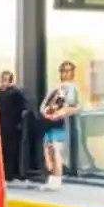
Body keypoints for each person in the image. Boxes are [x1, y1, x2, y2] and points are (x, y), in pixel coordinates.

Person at [39, 61, 81, 191]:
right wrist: (47, 113)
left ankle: (57, 179)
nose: (65, 74)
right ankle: (52, 177)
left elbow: (74, 106)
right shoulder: (56, 88)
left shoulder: (72, 89)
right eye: (63, 71)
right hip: (50, 122)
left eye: (68, 71)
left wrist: (60, 114)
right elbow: (45, 105)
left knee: (56, 150)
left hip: (61, 123)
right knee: (49, 150)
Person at [0, 71, 31, 184]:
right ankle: (1, 173)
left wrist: (19, 121)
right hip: (0, 124)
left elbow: (24, 107)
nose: (4, 82)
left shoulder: (15, 93)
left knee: (11, 150)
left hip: (12, 125)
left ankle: (10, 174)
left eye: (6, 80)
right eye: (3, 79)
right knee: (1, 149)